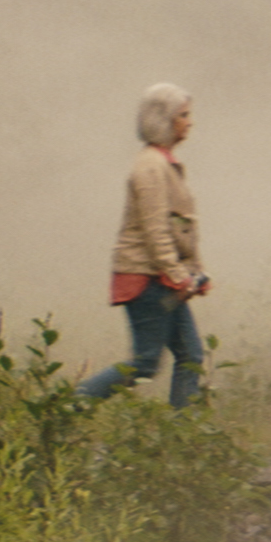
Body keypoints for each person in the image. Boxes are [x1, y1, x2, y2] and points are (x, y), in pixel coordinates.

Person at [79, 83, 208, 405]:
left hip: (160, 278)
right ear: (164, 120)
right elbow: (155, 231)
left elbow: (179, 225)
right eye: (184, 115)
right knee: (146, 361)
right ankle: (71, 405)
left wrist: (193, 270)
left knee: (190, 355)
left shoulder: (163, 163)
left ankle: (182, 439)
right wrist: (179, 276)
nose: (190, 122)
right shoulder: (150, 166)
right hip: (146, 279)